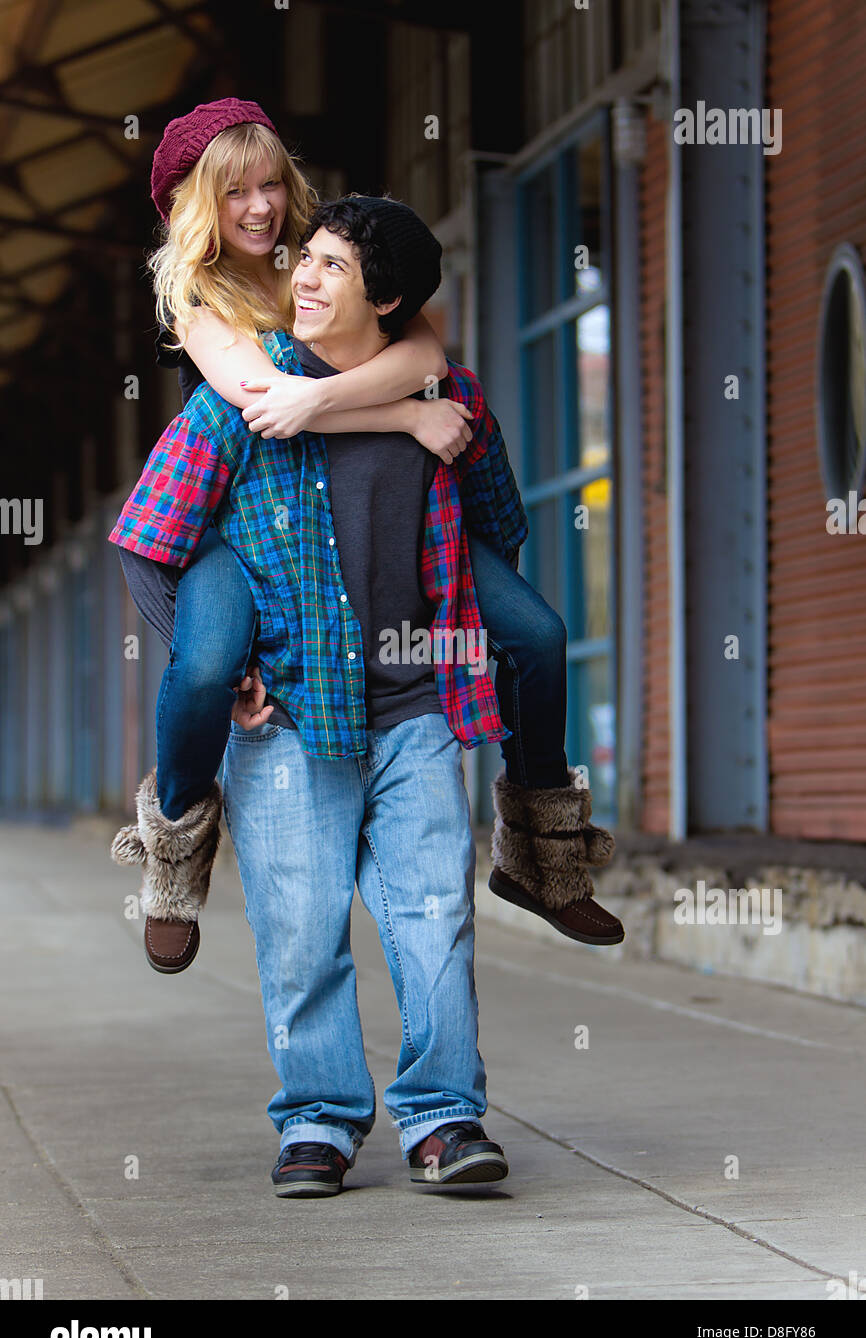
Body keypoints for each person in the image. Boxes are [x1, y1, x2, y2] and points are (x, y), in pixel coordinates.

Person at [109, 188, 621, 1194]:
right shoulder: (239, 404)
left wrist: (459, 634)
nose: (300, 274)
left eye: (331, 266)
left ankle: (442, 1119)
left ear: (385, 301)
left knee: (434, 918)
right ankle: (317, 1121)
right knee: (301, 936)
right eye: (303, 257)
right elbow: (145, 544)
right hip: (293, 718)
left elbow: (497, 525)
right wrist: (221, 669)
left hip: (416, 710)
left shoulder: (450, 401)